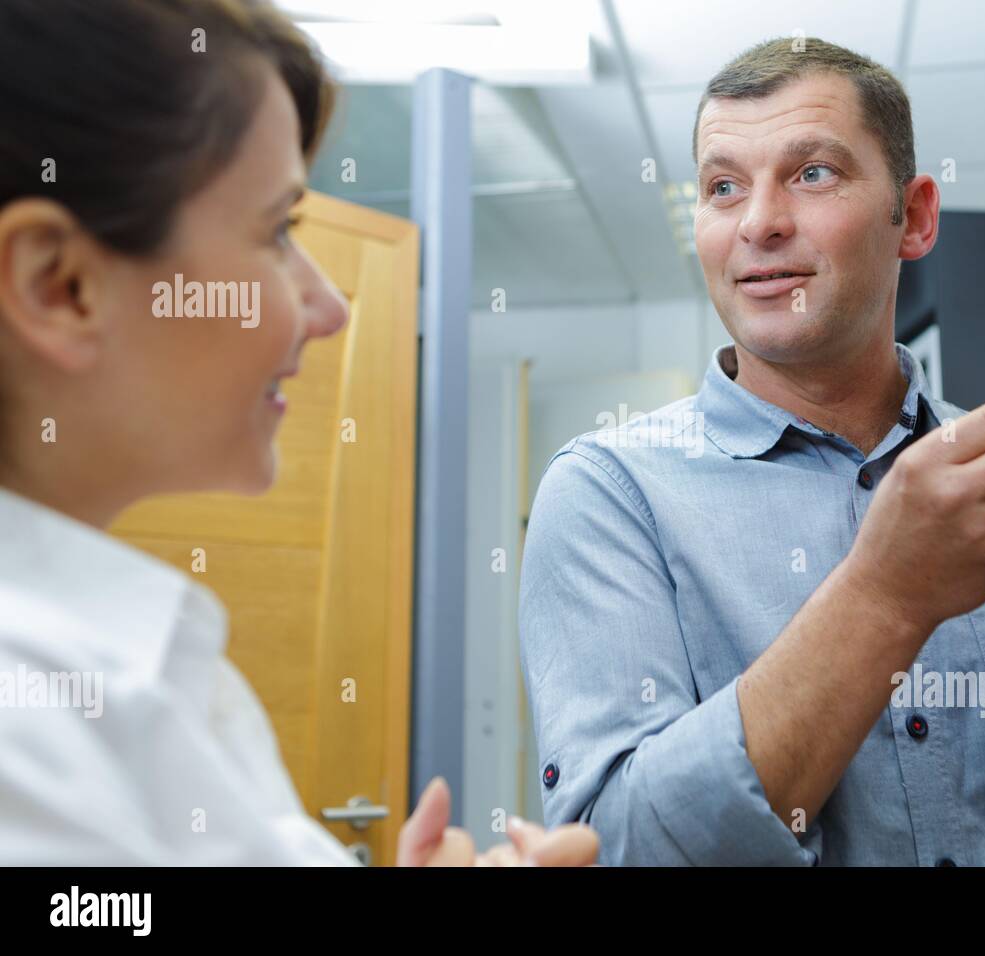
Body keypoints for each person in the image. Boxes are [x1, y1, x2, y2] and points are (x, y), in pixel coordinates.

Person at [0, 0, 596, 868]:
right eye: (278, 229)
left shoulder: (130, 662)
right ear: (61, 287)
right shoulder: (32, 722)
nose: (329, 305)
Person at [520, 38, 985, 865]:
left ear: (912, 217)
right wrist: (886, 595)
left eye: (811, 174)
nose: (759, 221)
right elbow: (614, 848)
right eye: (723, 186)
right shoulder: (607, 494)